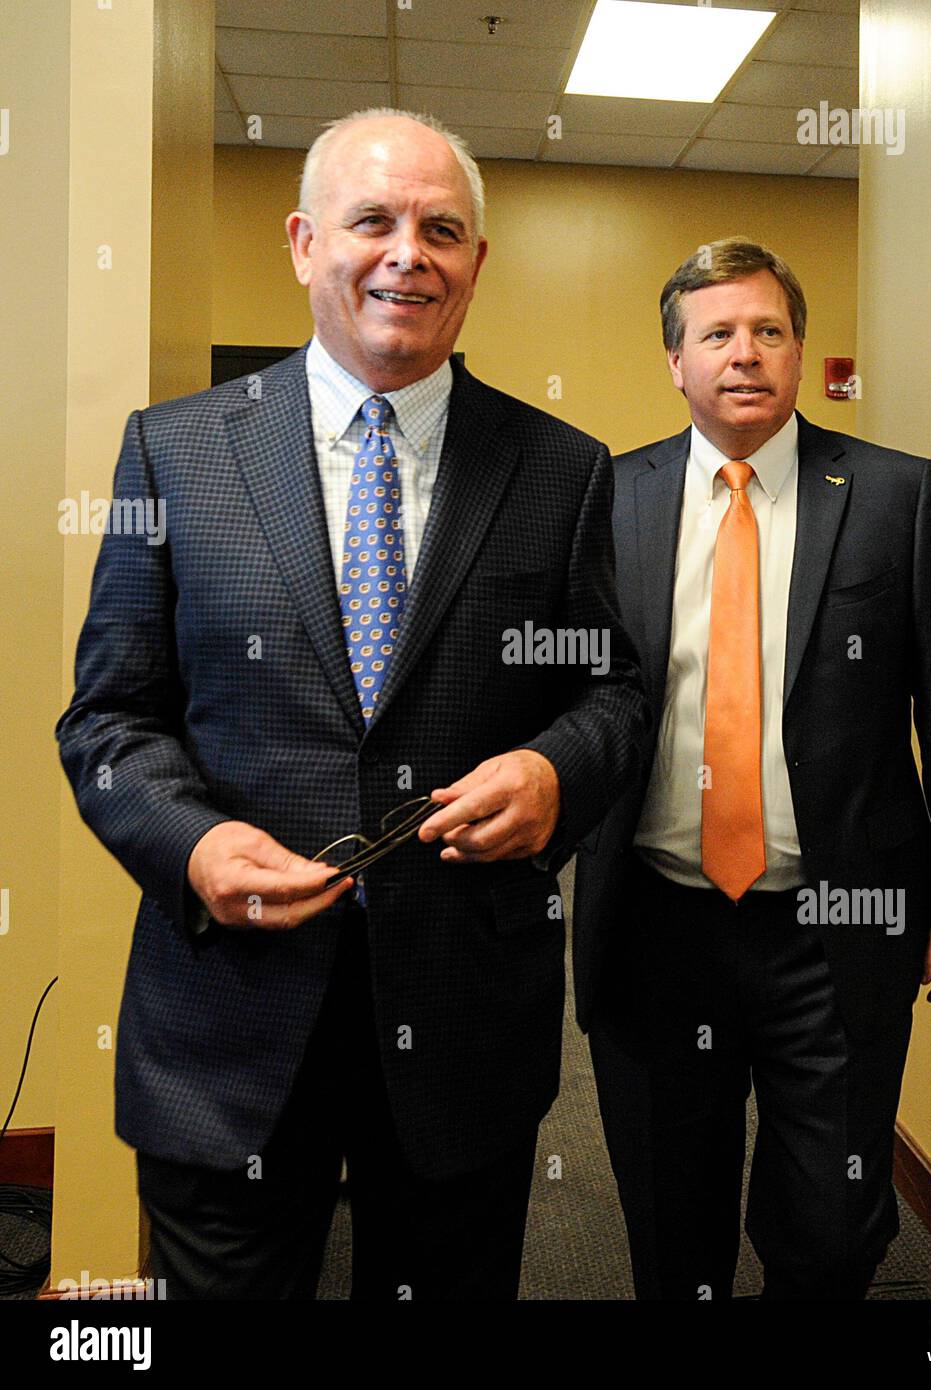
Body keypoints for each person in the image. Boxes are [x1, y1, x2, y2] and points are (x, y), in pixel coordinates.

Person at [56, 109, 650, 1301]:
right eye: (372, 220)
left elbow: (613, 691)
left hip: (462, 1015)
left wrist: (552, 775)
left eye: (442, 229)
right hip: (227, 1016)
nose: (405, 253)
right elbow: (109, 720)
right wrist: (196, 843)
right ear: (302, 242)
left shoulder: (562, 468)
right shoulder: (174, 453)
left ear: (476, 263)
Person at [573, 237, 931, 1300]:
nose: (744, 354)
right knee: (673, 1222)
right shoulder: (606, 498)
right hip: (654, 923)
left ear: (799, 350)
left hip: (837, 926)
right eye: (715, 333)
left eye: (768, 330)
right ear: (674, 360)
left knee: (829, 1230)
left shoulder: (894, 495)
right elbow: (572, 701)